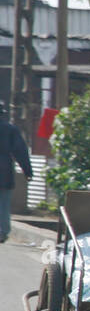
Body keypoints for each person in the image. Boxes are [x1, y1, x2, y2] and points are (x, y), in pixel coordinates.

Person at [0, 101, 33, 244]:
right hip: (4, 172)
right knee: (4, 204)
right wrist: (27, 170)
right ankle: (2, 232)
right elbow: (21, 151)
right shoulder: (10, 130)